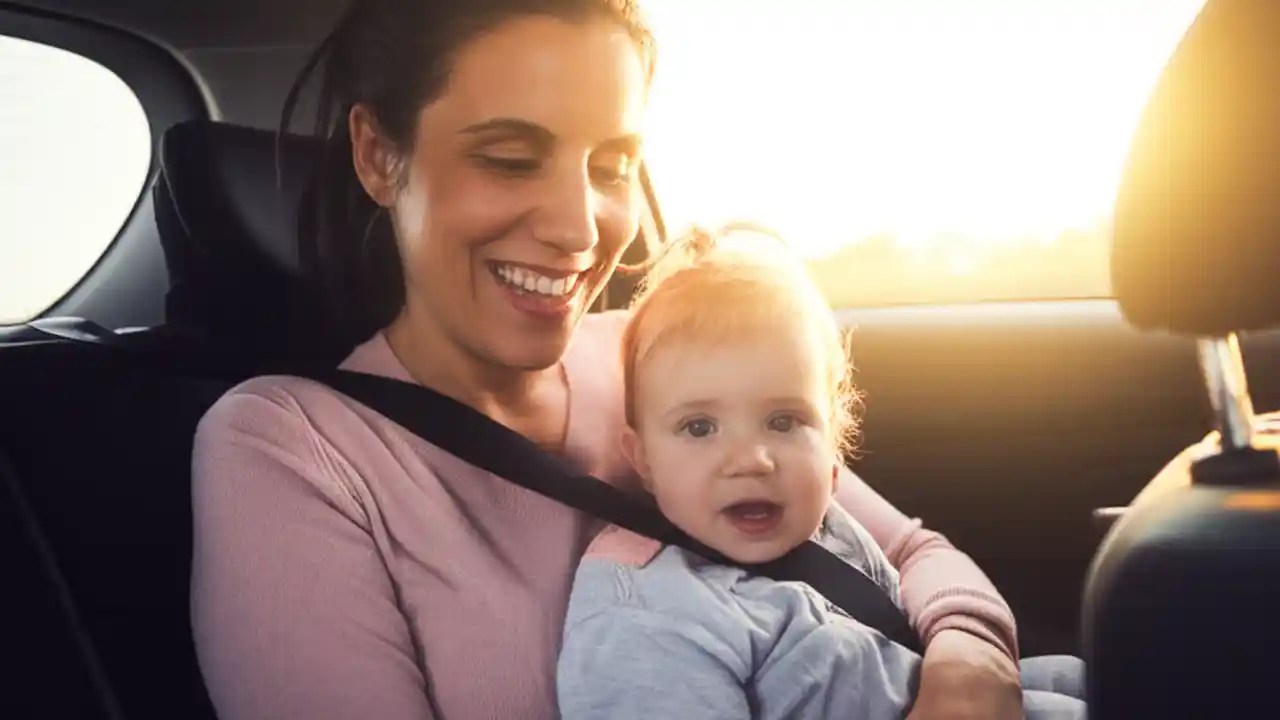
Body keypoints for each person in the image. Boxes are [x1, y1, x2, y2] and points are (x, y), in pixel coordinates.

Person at [191, 1, 1040, 718]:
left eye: (613, 164)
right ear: (381, 156)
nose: (580, 226)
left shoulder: (643, 349)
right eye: (510, 158)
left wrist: (968, 669)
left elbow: (909, 554)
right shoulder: (288, 448)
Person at [555, 228, 1087, 718]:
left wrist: (970, 655)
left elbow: (918, 555)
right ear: (642, 458)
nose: (752, 460)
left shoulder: (827, 523)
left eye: (783, 421)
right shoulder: (645, 619)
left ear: (833, 448)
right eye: (699, 427)